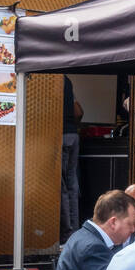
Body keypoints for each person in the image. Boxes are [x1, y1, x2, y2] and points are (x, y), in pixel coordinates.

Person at [60, 76, 84, 241]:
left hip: (59, 135)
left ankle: (66, 232)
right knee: (72, 184)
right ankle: (74, 230)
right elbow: (78, 112)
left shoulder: (46, 77)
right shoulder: (66, 80)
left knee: (60, 186)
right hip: (73, 135)